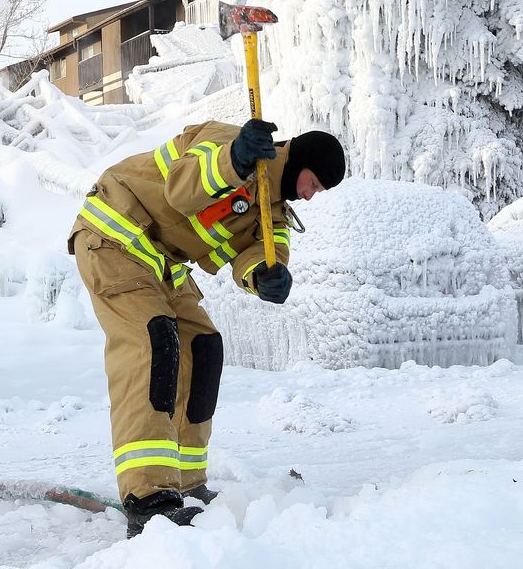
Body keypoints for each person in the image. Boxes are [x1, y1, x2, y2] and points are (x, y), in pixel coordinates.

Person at [67, 118, 346, 537]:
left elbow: (261, 255)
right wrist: (234, 162)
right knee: (152, 339)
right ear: (301, 160)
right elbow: (181, 189)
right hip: (114, 235)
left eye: (317, 192)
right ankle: (149, 498)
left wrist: (267, 277)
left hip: (159, 262)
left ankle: (186, 483)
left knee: (204, 346)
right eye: (313, 183)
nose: (309, 196)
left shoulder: (272, 213)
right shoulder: (227, 141)